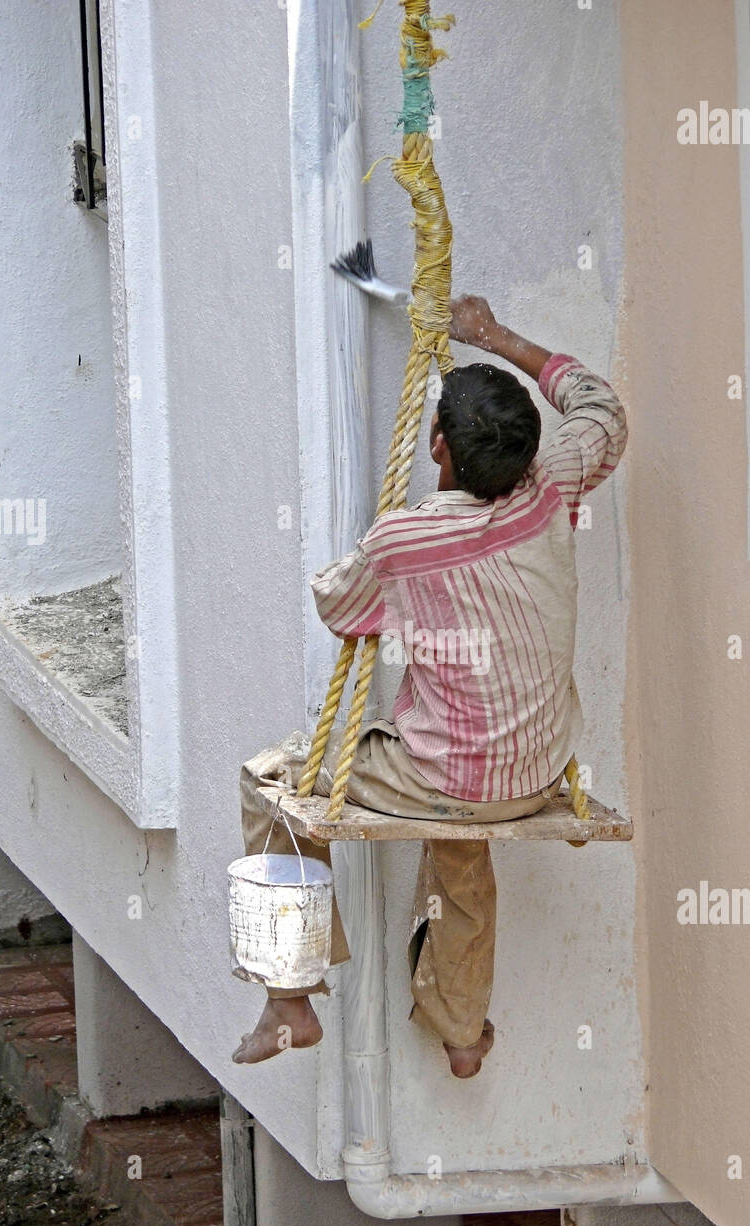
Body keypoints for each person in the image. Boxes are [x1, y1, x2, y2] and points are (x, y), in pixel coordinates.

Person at [234, 295, 628, 1078]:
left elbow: (337, 608)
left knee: (268, 789)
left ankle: (288, 996)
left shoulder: (405, 539)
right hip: (534, 774)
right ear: (524, 451)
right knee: (461, 846)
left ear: (437, 446)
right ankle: (460, 1033)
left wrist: (387, 553)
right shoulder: (553, 486)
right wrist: (495, 338)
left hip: (439, 774)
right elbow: (602, 409)